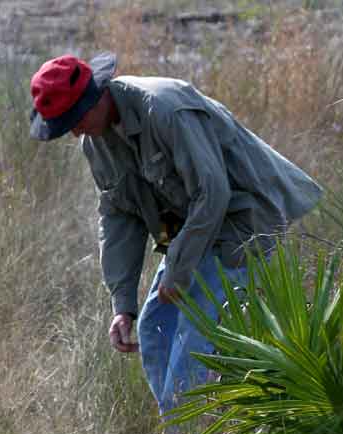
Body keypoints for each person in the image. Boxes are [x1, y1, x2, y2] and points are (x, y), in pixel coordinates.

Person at [29, 53, 322, 415]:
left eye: (75, 119)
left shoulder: (164, 109)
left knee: (191, 348)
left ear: (97, 96)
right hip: (187, 229)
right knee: (154, 328)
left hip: (243, 221)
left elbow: (212, 193)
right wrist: (123, 306)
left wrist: (178, 271)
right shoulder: (96, 142)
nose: (74, 131)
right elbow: (118, 215)